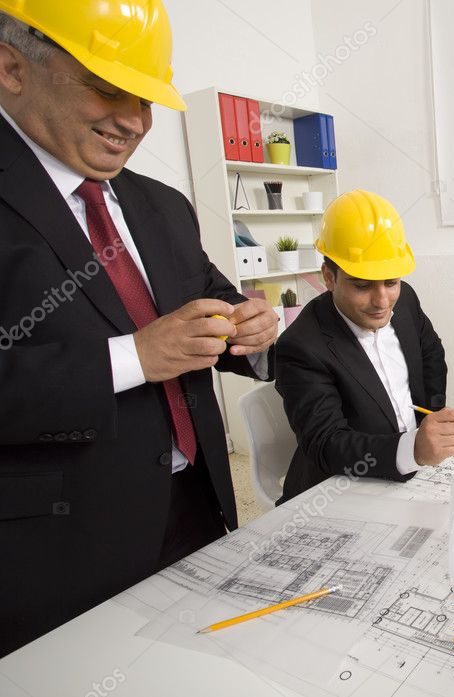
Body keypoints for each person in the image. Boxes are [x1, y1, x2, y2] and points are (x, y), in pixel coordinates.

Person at [0, 0, 277, 656]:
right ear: (11, 67)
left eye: (146, 100)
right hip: (62, 548)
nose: (133, 122)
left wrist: (250, 330)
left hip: (200, 505)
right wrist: (133, 357)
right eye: (106, 90)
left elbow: (209, 301)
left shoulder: (162, 204)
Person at [275, 190, 454, 502]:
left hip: (418, 473)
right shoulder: (300, 347)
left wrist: (432, 416)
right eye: (362, 285)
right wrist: (409, 450)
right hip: (339, 488)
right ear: (329, 277)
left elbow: (431, 354)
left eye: (391, 282)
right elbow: (325, 442)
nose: (382, 301)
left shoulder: (407, 300)